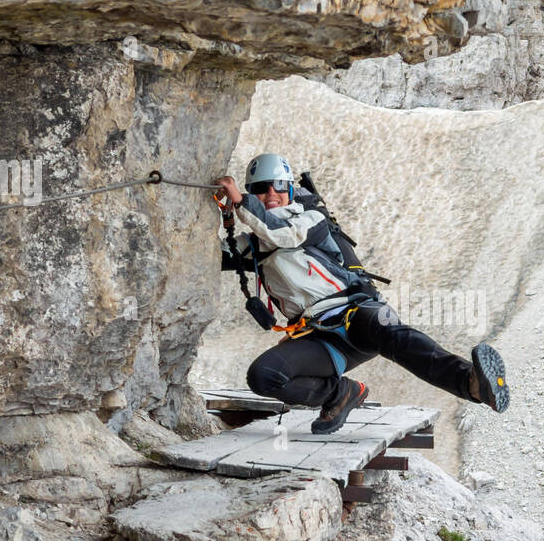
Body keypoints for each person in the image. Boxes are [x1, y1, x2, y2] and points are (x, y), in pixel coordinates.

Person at [215, 152, 509, 435]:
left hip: (357, 312)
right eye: (260, 189)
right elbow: (210, 256)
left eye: (278, 185)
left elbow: (283, 233)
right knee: (262, 375)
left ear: (290, 188)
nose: (270, 194)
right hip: (319, 337)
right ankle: (340, 394)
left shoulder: (312, 219)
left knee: (394, 335)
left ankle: (469, 382)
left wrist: (241, 201)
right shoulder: (252, 247)